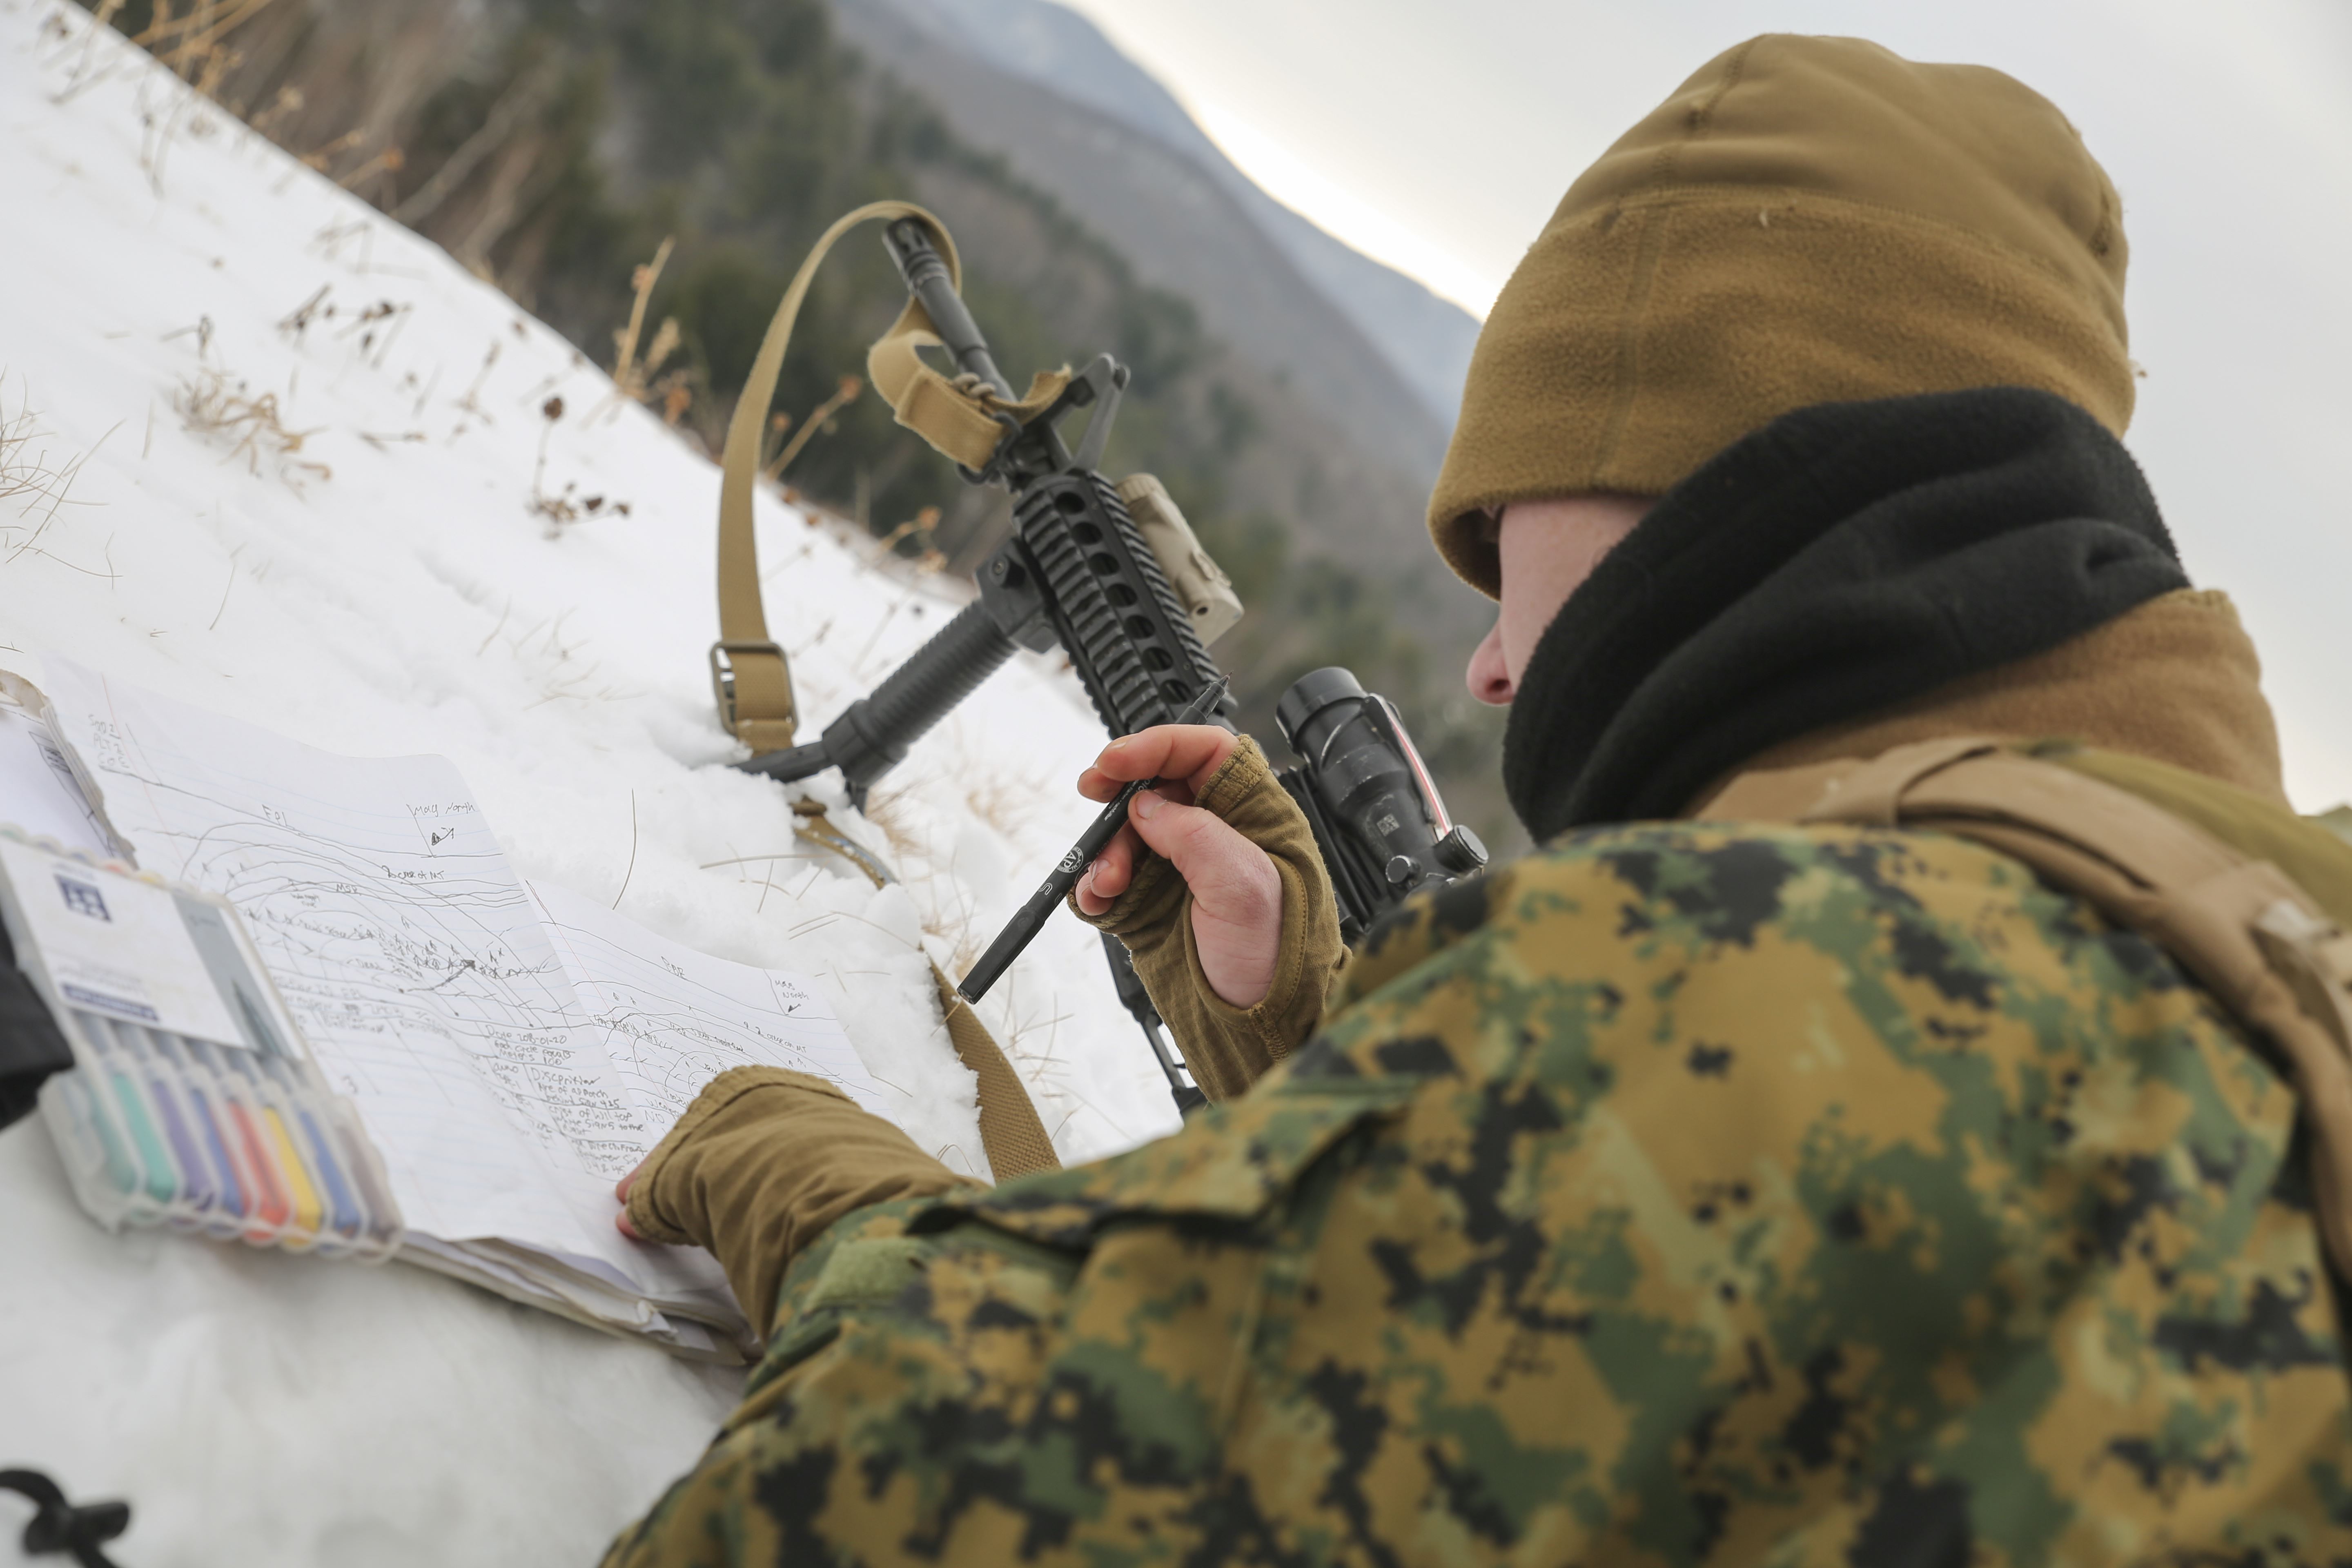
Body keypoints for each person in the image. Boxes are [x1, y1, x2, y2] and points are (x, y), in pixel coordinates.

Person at [602, 34, 2352, 1565]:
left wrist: (831, 1210)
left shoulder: (1762, 994)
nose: (1493, 663)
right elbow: (1667, 1372)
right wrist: (1312, 1033)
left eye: (1505, 522)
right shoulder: (2235, 968)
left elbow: (880, 1510)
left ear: (1678, 477)